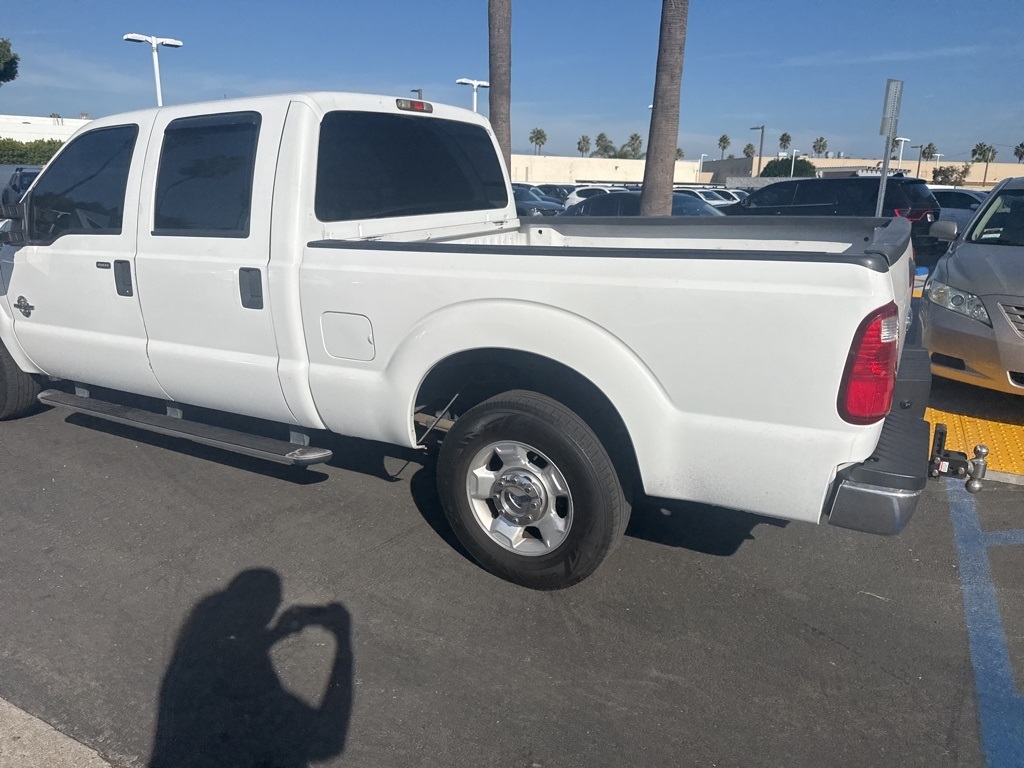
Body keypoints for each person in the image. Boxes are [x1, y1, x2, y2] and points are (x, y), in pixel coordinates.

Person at [149, 569, 353, 768]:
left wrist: (274, 635)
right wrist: (343, 641)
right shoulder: (254, 696)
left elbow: (229, 655)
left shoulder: (191, 665)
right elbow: (328, 740)